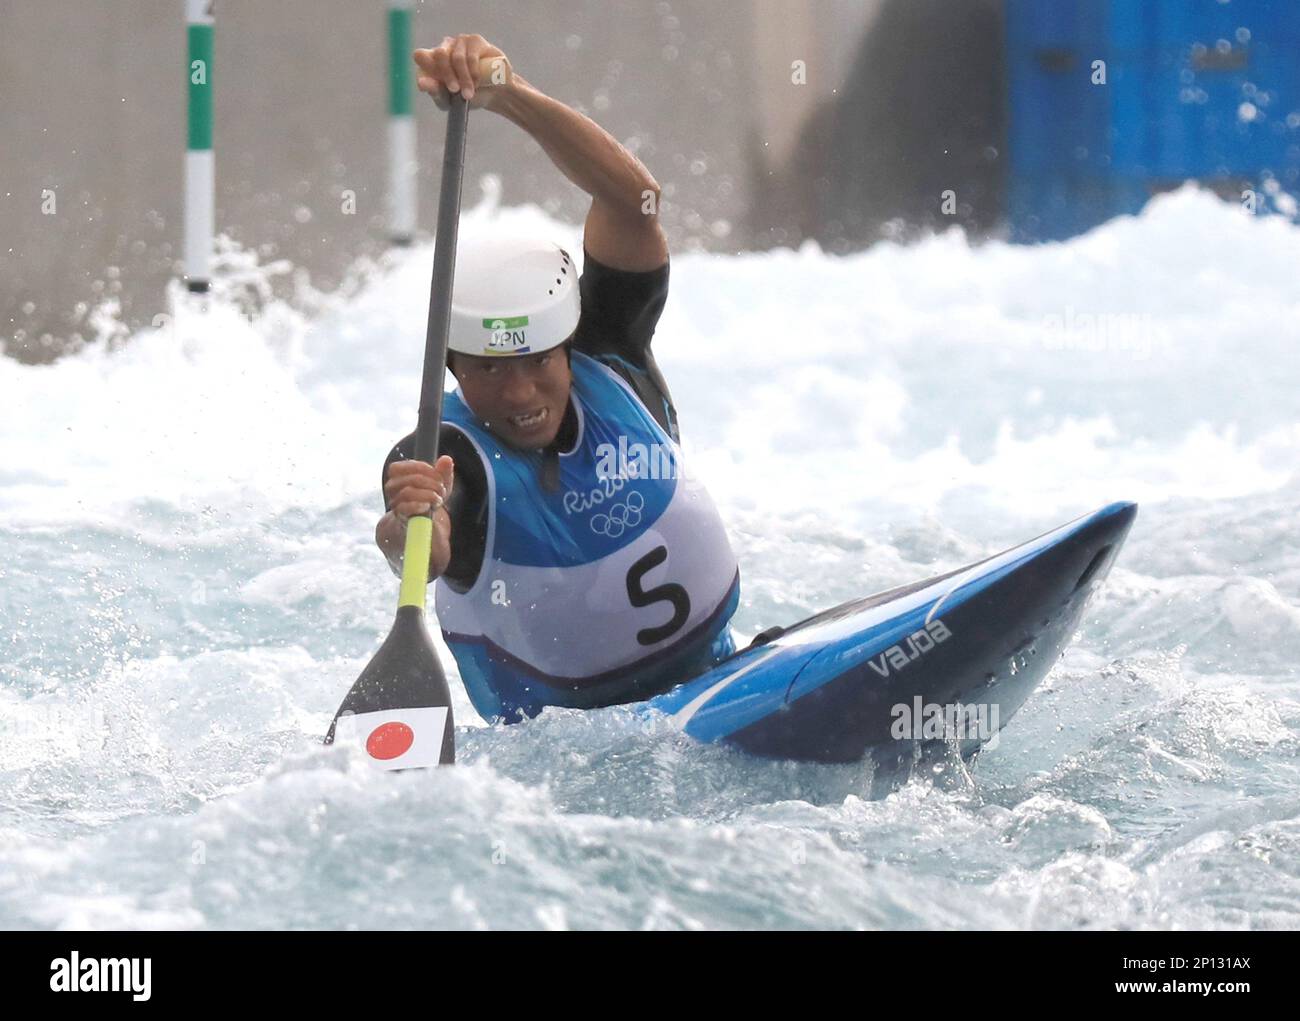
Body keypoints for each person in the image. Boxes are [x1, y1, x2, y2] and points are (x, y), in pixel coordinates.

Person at [378, 34, 740, 723]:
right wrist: (411, 526)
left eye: (538, 362)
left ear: (567, 345)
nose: (518, 395)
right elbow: (421, 550)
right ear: (452, 366)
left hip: (721, 682)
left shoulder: (613, 358)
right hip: (573, 760)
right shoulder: (444, 457)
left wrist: (510, 95)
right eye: (489, 370)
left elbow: (634, 200)